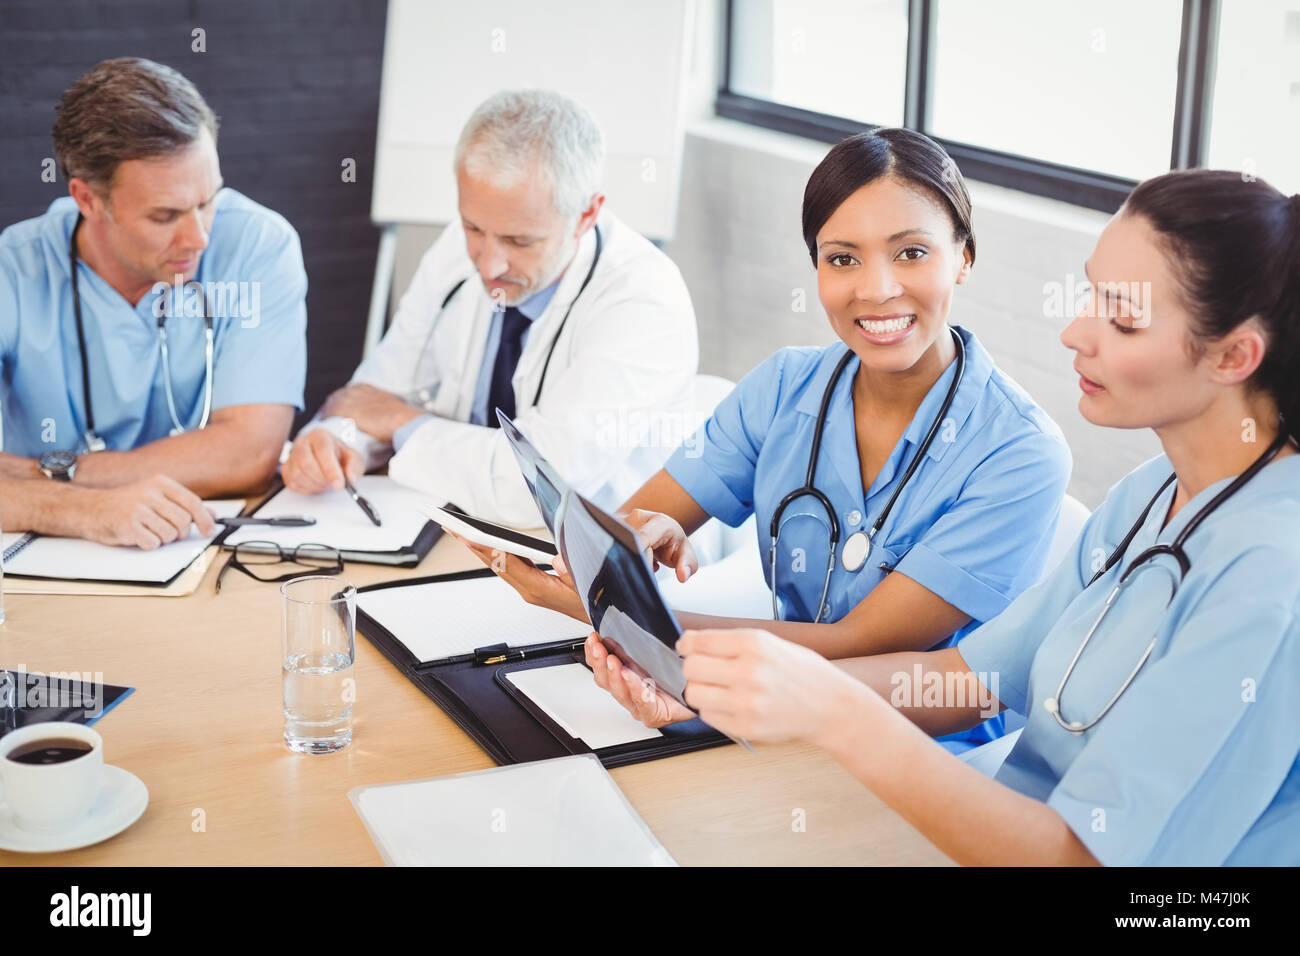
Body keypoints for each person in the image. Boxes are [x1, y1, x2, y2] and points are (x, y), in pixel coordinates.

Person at [598, 169, 1300, 865]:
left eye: (1120, 316)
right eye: (1089, 295)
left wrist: (835, 713)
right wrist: (731, 688)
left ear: (1235, 355)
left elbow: (1081, 861)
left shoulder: (1271, 573)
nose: (1073, 333)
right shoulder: (1153, 492)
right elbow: (972, 681)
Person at [459, 128, 1072, 752]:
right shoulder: (784, 387)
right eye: (842, 258)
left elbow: (862, 645)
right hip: (763, 715)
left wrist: (612, 616)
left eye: (912, 252)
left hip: (928, 760)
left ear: (965, 256)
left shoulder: (1020, 454)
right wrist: (624, 565)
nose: (876, 288)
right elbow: (627, 533)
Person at [282, 89, 698, 527]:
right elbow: (374, 394)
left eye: (520, 241)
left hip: (585, 564)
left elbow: (539, 488)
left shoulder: (643, 302)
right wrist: (334, 441)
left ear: (586, 215)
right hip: (458, 527)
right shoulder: (456, 251)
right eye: (473, 227)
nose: (488, 263)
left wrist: (400, 421)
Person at [0, 58, 308, 549]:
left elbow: (249, 455)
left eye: (208, 200)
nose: (200, 237)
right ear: (88, 199)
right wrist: (86, 509)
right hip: (44, 556)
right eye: (165, 215)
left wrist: (47, 476)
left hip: (203, 545)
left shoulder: (258, 246)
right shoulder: (13, 269)